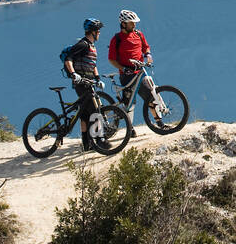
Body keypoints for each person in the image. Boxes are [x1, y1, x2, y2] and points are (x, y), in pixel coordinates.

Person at [108, 9, 161, 137]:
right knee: (130, 103)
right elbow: (111, 59)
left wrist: (148, 54)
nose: (134, 25)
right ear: (124, 24)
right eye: (132, 23)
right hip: (126, 75)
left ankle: (159, 123)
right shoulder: (116, 39)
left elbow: (145, 47)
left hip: (139, 72)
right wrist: (123, 68)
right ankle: (130, 129)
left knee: (151, 96)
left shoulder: (138, 34)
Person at [61, 18, 105, 151]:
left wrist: (97, 78)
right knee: (95, 110)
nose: (99, 33)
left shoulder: (92, 46)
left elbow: (92, 65)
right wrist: (74, 74)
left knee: (85, 113)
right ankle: (100, 141)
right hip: (81, 82)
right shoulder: (83, 44)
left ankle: (86, 144)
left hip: (89, 81)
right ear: (92, 32)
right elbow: (69, 58)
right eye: (98, 30)